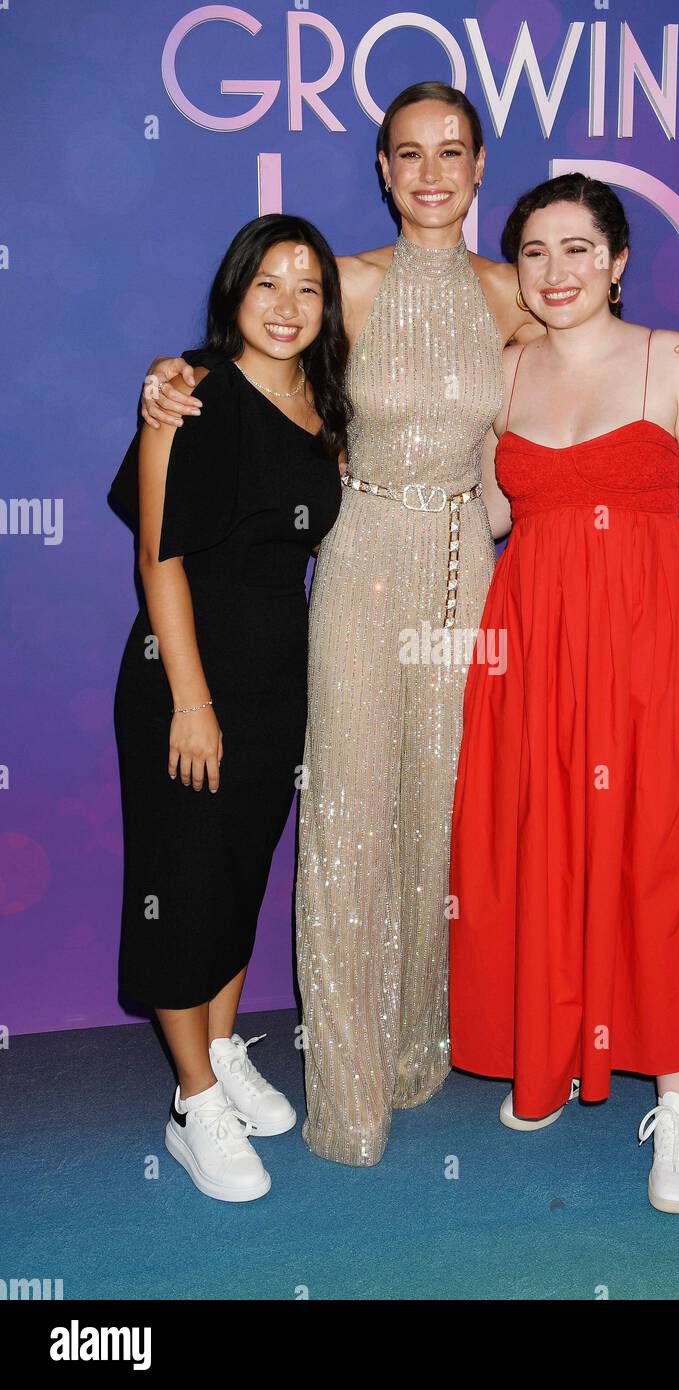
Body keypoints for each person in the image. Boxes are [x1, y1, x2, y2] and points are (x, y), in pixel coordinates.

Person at [135, 84, 679, 1167]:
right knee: (354, 818)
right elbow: (262, 365)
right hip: (364, 568)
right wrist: (177, 380)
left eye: (452, 151)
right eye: (409, 154)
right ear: (382, 168)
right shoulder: (345, 286)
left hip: (475, 575)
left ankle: (423, 1045)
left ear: (479, 162)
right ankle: (352, 1079)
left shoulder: (515, 294)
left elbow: (581, 371)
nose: (432, 173)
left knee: (451, 817)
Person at [448, 174, 679, 1214]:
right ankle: (555, 1045)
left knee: (662, 858)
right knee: (547, 850)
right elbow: (491, 510)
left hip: (655, 647)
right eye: (535, 252)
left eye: (579, 249)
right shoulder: (505, 371)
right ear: (517, 270)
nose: (558, 271)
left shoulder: (675, 359)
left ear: (618, 261)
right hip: (533, 652)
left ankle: (678, 1103)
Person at [109, 214, 348, 1200]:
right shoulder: (192, 392)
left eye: (308, 288)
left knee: (240, 875)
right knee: (181, 876)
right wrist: (190, 701)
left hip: (279, 678)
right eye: (268, 285)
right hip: (186, 674)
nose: (288, 306)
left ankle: (220, 1045)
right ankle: (192, 1100)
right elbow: (158, 557)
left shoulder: (329, 412)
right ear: (235, 294)